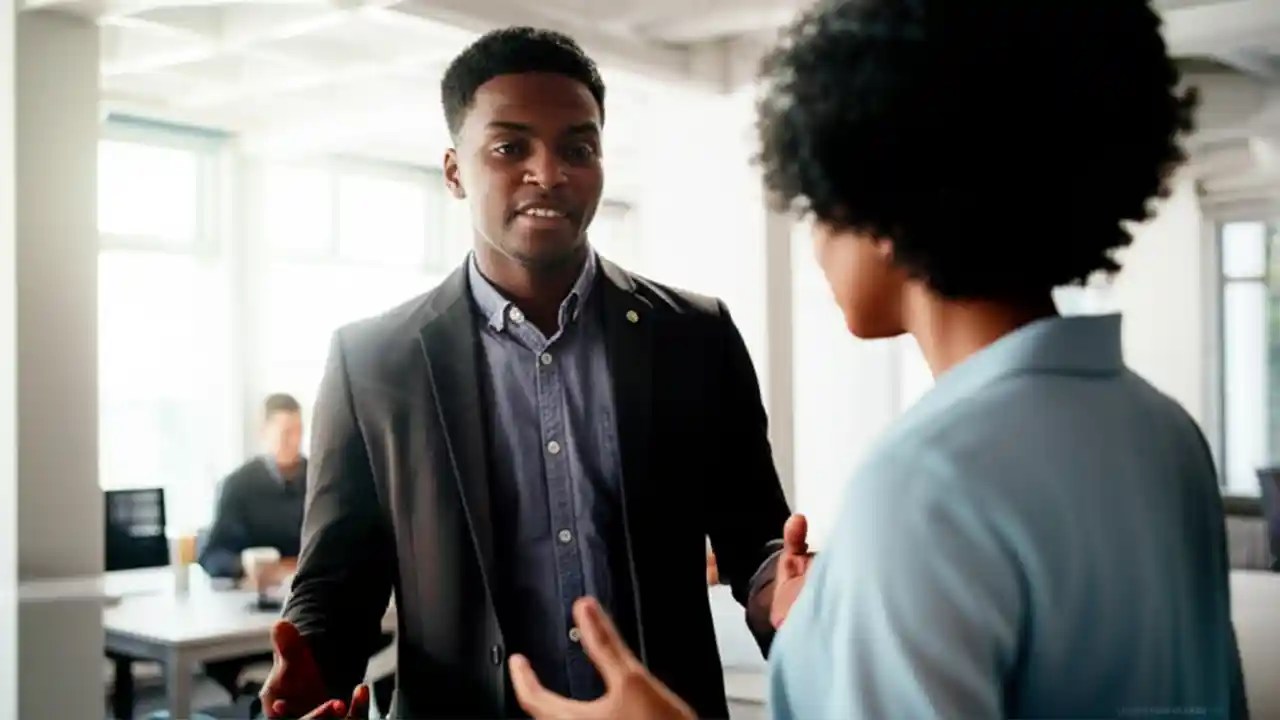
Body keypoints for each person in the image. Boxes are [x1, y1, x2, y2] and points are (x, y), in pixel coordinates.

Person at [506, 1, 1250, 719]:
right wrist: (837, 624)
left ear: (885, 197)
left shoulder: (928, 481)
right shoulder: (1165, 433)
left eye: (815, 205)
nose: (816, 242)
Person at [262, 27, 806, 720]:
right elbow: (337, 583)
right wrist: (311, 675)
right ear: (456, 172)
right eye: (509, 147)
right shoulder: (373, 363)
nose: (548, 172)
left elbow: (755, 541)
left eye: (578, 148)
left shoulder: (694, 336)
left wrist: (783, 593)